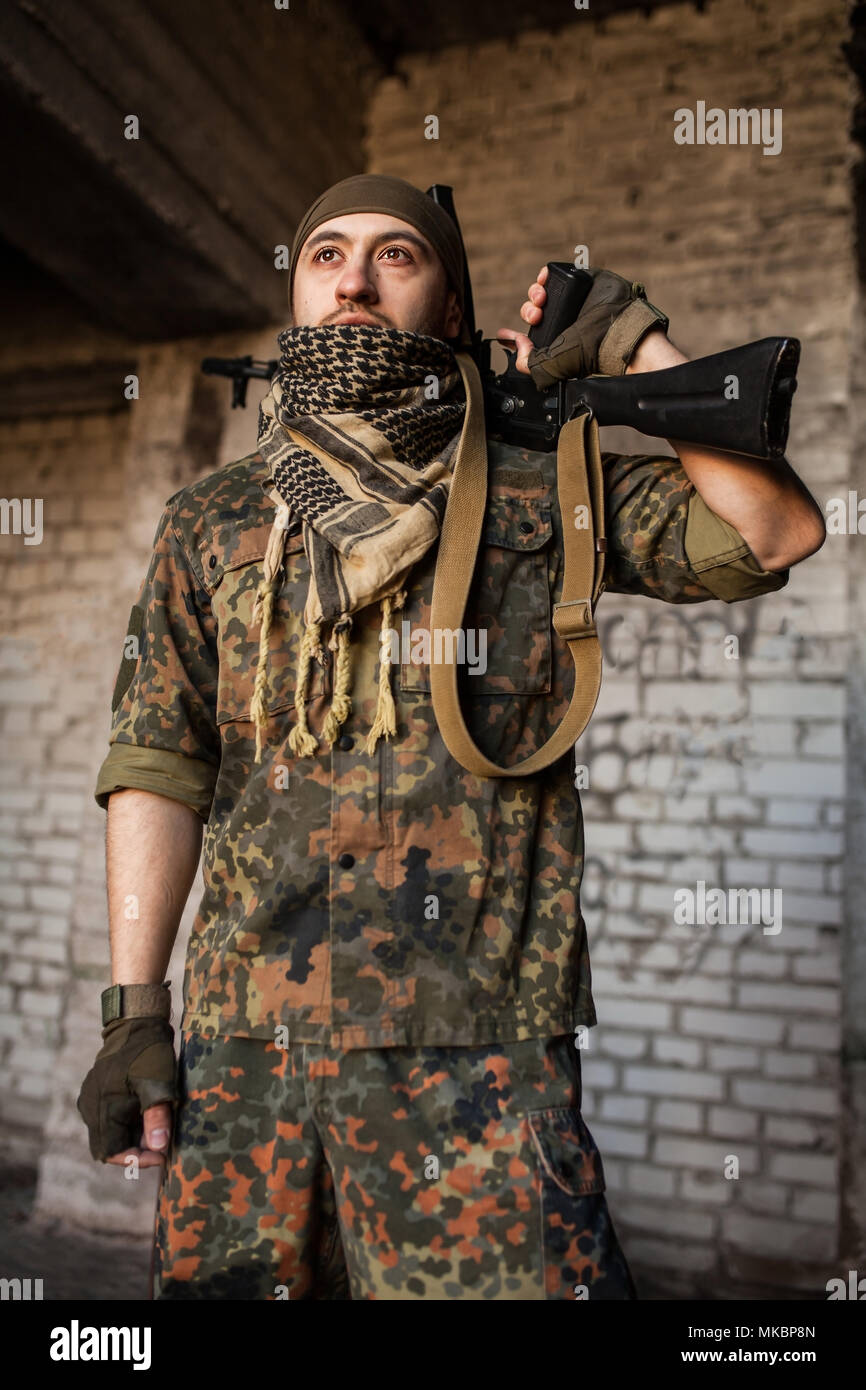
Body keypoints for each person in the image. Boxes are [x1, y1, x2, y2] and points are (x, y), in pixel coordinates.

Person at [77, 174, 825, 1300]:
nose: (355, 278)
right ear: (297, 286)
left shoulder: (542, 476)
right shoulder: (214, 517)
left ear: (445, 297)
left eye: (395, 255)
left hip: (478, 1042)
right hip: (247, 1045)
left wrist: (630, 349)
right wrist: (137, 1013)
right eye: (326, 252)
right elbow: (157, 766)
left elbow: (775, 531)